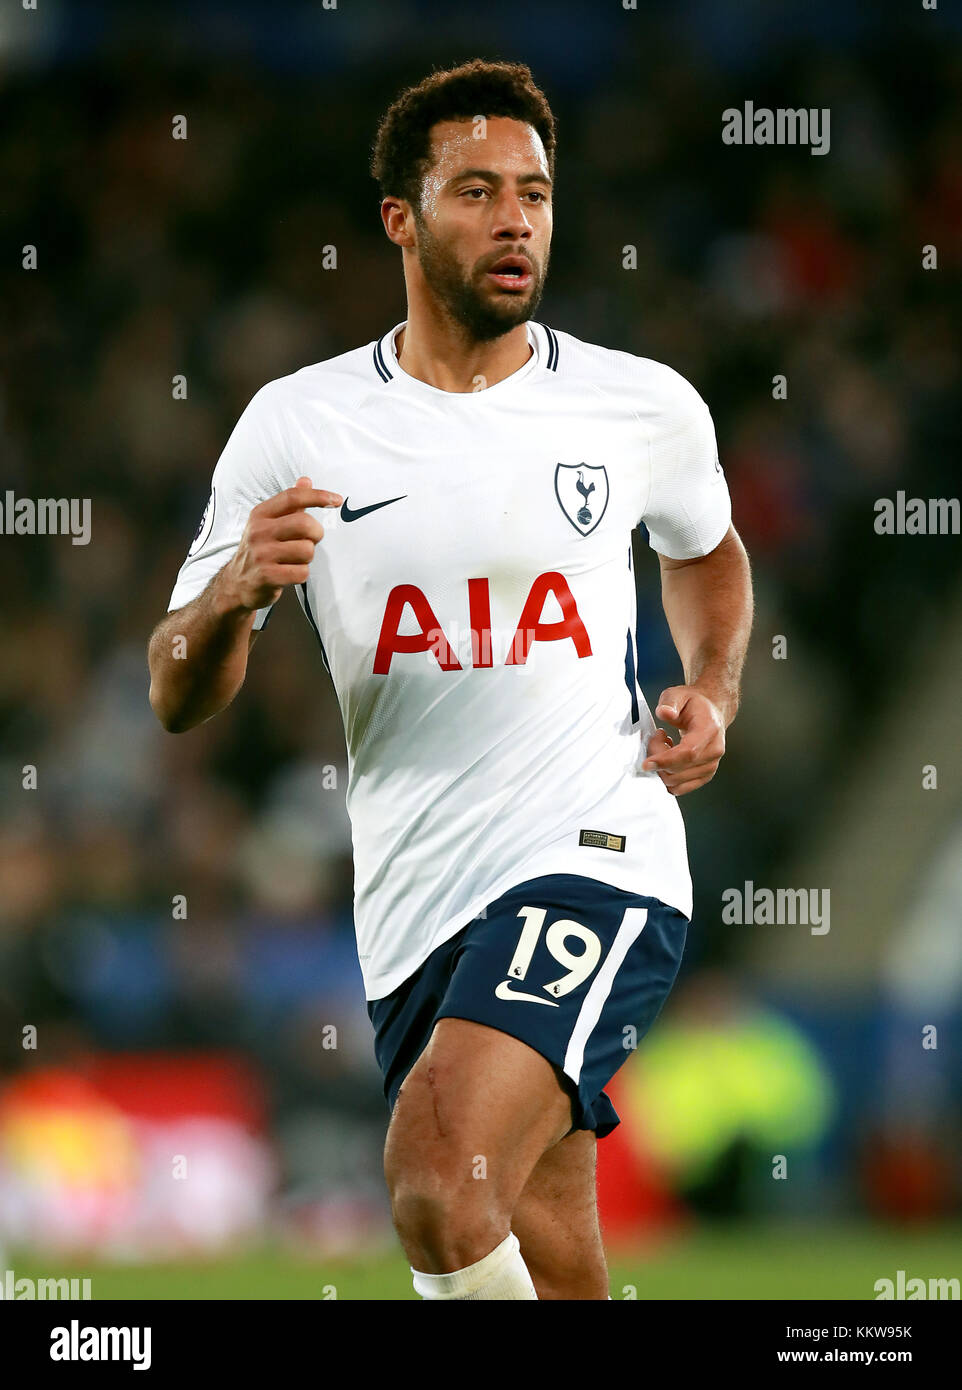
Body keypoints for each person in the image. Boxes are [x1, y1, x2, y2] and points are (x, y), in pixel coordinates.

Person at [148, 58, 753, 1300]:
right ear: (400, 220)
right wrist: (230, 597)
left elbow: (708, 553)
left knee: (435, 1169)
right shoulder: (297, 425)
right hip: (417, 896)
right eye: (473, 191)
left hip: (596, 843)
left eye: (532, 191)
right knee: (540, 1241)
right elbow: (174, 688)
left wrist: (714, 687)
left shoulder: (635, 406)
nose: (514, 218)